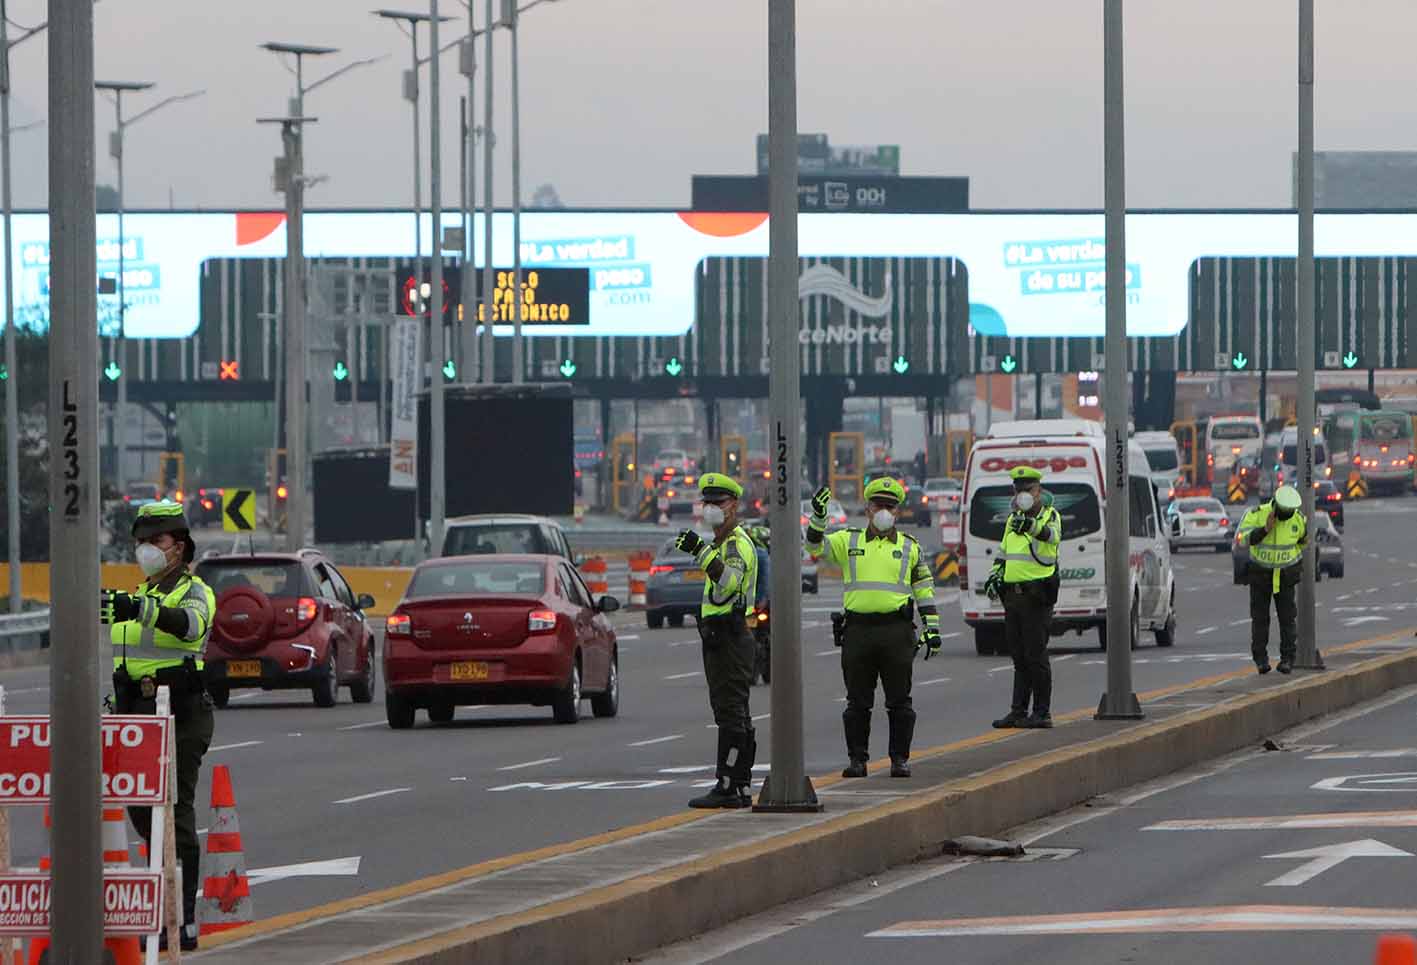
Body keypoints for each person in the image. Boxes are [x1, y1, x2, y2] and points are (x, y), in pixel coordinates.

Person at [100, 501, 216, 952]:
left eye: (156, 541)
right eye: (141, 542)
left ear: (179, 547)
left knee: (173, 812)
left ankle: (182, 918)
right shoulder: (138, 593)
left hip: (179, 714)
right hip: (133, 717)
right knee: (142, 815)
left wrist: (138, 609)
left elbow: (190, 627)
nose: (146, 549)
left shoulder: (194, 591)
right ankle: (158, 909)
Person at [806, 477, 939, 778]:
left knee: (900, 702)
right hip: (858, 632)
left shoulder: (909, 547)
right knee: (857, 702)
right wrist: (818, 516)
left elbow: (924, 587)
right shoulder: (848, 541)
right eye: (879, 505)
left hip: (897, 632)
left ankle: (899, 760)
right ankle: (857, 760)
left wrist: (933, 626)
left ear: (898, 512)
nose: (884, 511)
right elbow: (814, 548)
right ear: (867, 508)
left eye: (890, 507)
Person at [675, 473, 759, 808]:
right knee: (733, 712)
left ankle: (729, 785)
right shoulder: (721, 545)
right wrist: (705, 551)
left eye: (718, 503)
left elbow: (728, 584)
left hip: (731, 637)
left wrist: (701, 553)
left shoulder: (736, 545)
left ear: (734, 506)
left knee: (731, 713)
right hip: (720, 638)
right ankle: (738, 784)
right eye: (707, 502)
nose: (711, 509)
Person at [985, 465, 1062, 729]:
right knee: (1018, 657)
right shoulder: (1011, 520)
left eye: (1027, 490)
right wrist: (995, 574)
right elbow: (1004, 552)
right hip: (1013, 597)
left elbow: (1052, 537)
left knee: (1035, 655)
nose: (1023, 495)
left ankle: (1042, 712)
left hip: (1037, 596)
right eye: (1018, 490)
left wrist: (1031, 526)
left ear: (1038, 490)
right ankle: (1018, 711)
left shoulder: (1050, 516)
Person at [1237, 484, 1307, 674]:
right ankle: (1261, 660)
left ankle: (1287, 660)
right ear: (1276, 505)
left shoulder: (1298, 520)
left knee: (1288, 620)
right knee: (1260, 620)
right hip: (1261, 575)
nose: (1287, 514)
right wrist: (1264, 529)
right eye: (1285, 511)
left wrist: (1291, 565)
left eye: (1290, 511)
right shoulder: (1256, 513)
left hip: (1285, 577)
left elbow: (1302, 542)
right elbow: (1241, 539)